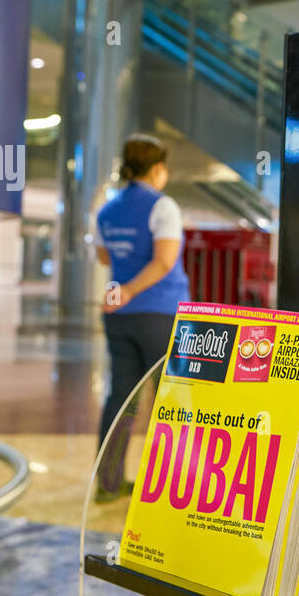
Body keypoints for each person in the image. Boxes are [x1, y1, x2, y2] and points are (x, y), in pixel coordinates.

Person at [93, 134, 190, 500]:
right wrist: (133, 290)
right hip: (161, 314)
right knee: (172, 400)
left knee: (121, 398)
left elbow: (105, 258)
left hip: (119, 317)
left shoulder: (108, 209)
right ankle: (172, 488)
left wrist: (123, 290)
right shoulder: (162, 206)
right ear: (157, 169)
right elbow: (165, 261)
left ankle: (109, 483)